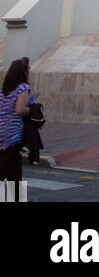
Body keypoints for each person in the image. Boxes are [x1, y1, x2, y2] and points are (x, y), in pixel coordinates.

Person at [0, 57, 36, 199]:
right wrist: (31, 110)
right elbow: (20, 110)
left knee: (6, 168)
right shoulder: (23, 88)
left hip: (2, 132)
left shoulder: (4, 90)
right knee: (14, 171)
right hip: (12, 135)